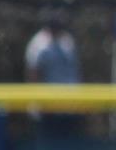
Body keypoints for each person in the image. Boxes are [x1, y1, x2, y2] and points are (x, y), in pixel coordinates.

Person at [23, 7, 81, 135]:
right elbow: (33, 75)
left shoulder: (67, 40)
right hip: (47, 107)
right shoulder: (38, 44)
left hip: (69, 105)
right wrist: (37, 103)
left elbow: (75, 72)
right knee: (48, 143)